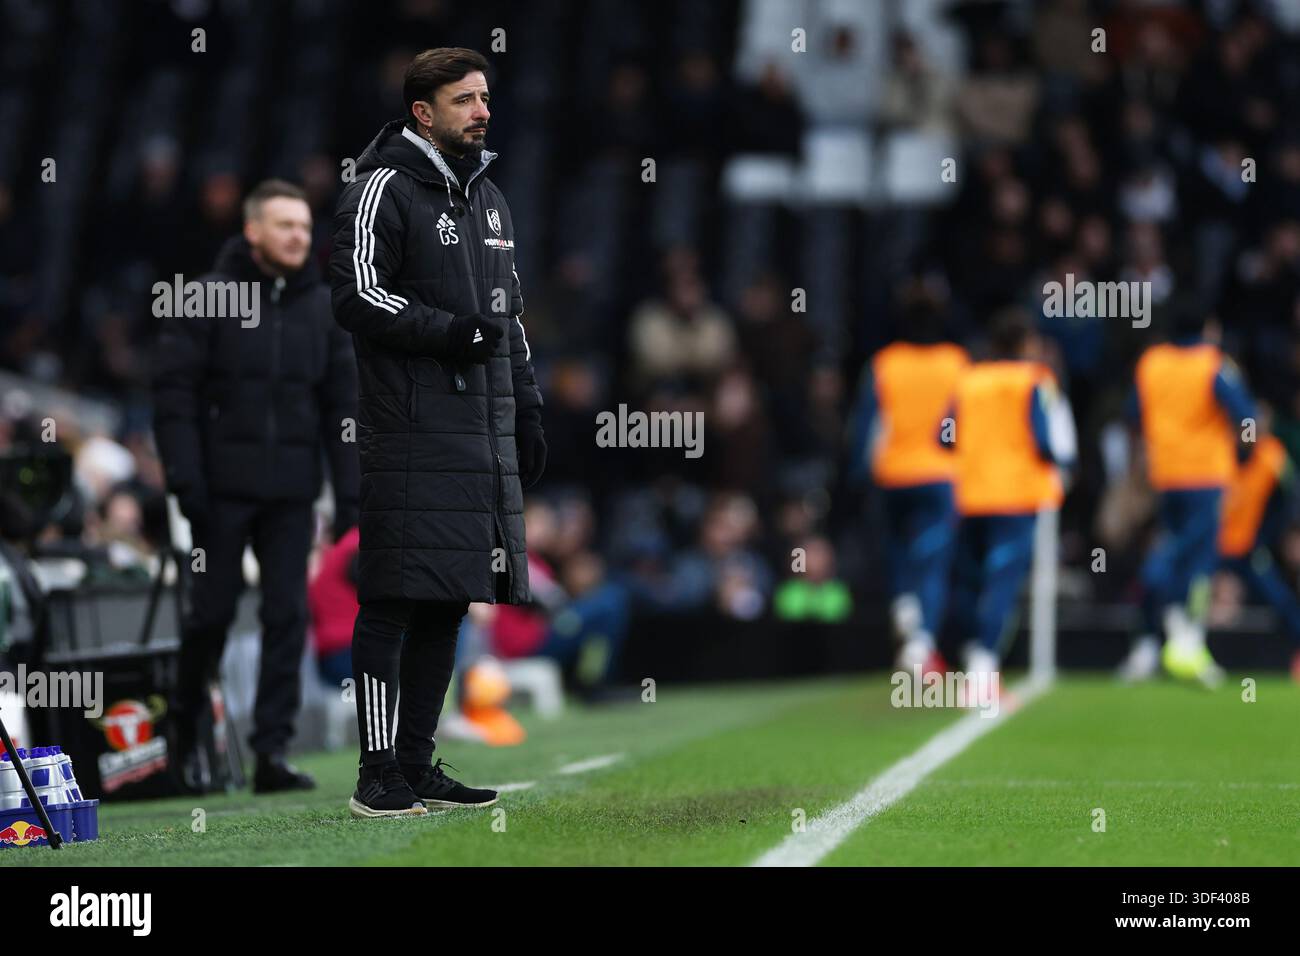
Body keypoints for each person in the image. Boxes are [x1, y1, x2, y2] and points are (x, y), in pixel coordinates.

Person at [330, 48, 545, 817]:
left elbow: (509, 319)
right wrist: (452, 334)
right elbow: (357, 296)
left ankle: (417, 765)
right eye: (465, 100)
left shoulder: (489, 198)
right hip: (409, 429)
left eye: (484, 97)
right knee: (392, 599)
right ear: (424, 112)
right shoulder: (380, 186)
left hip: (478, 434)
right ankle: (375, 774)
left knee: (450, 599)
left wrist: (527, 406)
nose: (482, 111)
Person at [153, 179, 360, 794]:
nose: (300, 235)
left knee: (285, 615)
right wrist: (185, 480)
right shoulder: (204, 299)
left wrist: (348, 494)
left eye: (304, 226)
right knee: (210, 616)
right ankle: (182, 741)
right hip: (219, 491)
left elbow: (342, 410)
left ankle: (271, 751)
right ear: (253, 232)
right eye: (285, 225)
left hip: (293, 493)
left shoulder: (325, 310)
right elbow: (173, 400)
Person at [1121, 312, 1254, 686]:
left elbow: (1132, 415)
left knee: (1170, 549)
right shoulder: (1213, 364)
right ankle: (1187, 643)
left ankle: (1152, 642)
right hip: (1207, 476)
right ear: (1208, 328)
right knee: (1194, 561)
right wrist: (1245, 452)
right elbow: (1246, 417)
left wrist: (1138, 464)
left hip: (1165, 476)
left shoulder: (1151, 363)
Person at [946, 310, 1070, 681]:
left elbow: (945, 435)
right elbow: (1044, 440)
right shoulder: (1034, 380)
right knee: (1002, 578)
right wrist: (1060, 460)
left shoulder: (967, 381)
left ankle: (969, 647)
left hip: (971, 493)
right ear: (1024, 344)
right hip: (1016, 494)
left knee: (969, 577)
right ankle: (984, 658)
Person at [847, 298, 967, 673]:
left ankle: (902, 604)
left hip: (892, 474)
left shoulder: (885, 363)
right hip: (938, 475)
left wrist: (857, 476)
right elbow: (959, 422)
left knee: (898, 549)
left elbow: (867, 424)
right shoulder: (956, 362)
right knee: (933, 561)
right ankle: (921, 644)